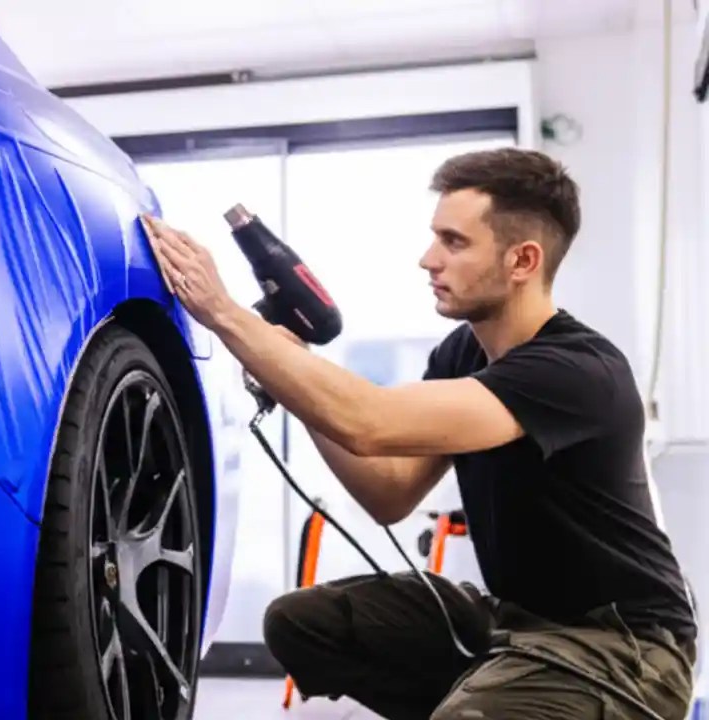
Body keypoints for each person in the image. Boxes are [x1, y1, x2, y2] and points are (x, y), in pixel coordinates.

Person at [143, 147, 698, 719]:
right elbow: (390, 490)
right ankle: (499, 700)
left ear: (523, 261)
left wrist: (224, 312)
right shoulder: (463, 352)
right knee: (301, 624)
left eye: (454, 242)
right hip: (512, 620)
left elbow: (370, 421)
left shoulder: (576, 370)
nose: (428, 259)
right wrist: (289, 369)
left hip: (622, 646)